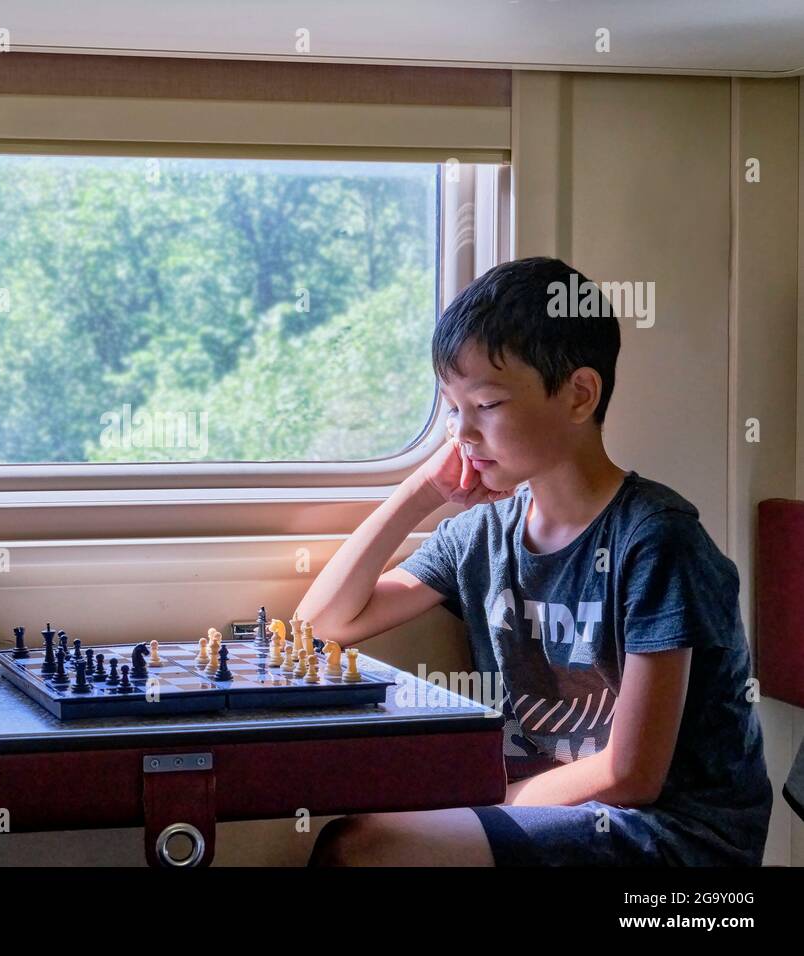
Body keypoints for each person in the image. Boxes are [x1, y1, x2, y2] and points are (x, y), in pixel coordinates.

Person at [301, 257, 772, 866]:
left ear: (580, 395)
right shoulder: (484, 534)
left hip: (675, 841)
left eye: (488, 405)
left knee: (361, 850)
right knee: (357, 832)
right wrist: (422, 489)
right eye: (451, 407)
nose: (462, 432)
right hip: (557, 813)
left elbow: (633, 776)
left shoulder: (656, 541)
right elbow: (319, 627)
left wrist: (487, 804)